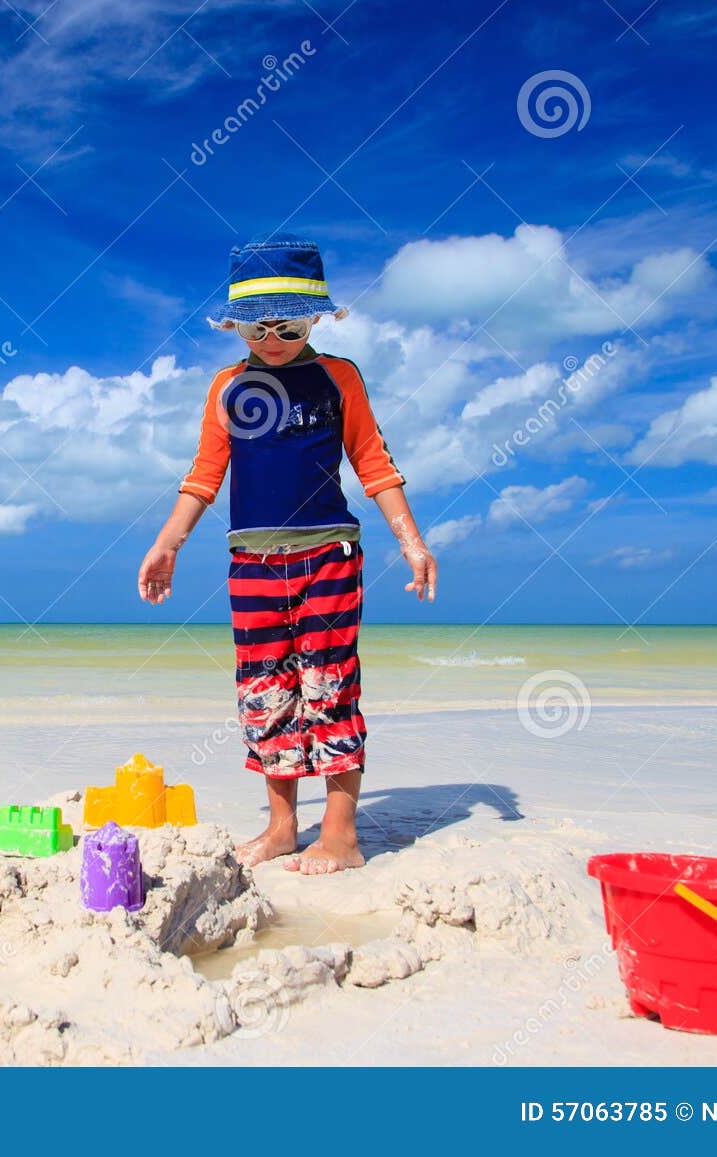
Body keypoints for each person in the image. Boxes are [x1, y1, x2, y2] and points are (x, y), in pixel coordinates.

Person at [137, 234, 436, 875]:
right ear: (235, 326)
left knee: (329, 684)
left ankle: (341, 834)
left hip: (328, 554)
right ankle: (281, 827)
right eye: (256, 328)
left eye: (290, 327)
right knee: (264, 688)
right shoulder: (227, 387)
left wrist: (411, 541)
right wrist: (168, 543)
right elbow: (204, 475)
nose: (272, 341)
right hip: (251, 562)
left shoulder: (338, 378)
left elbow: (373, 463)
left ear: (316, 321)